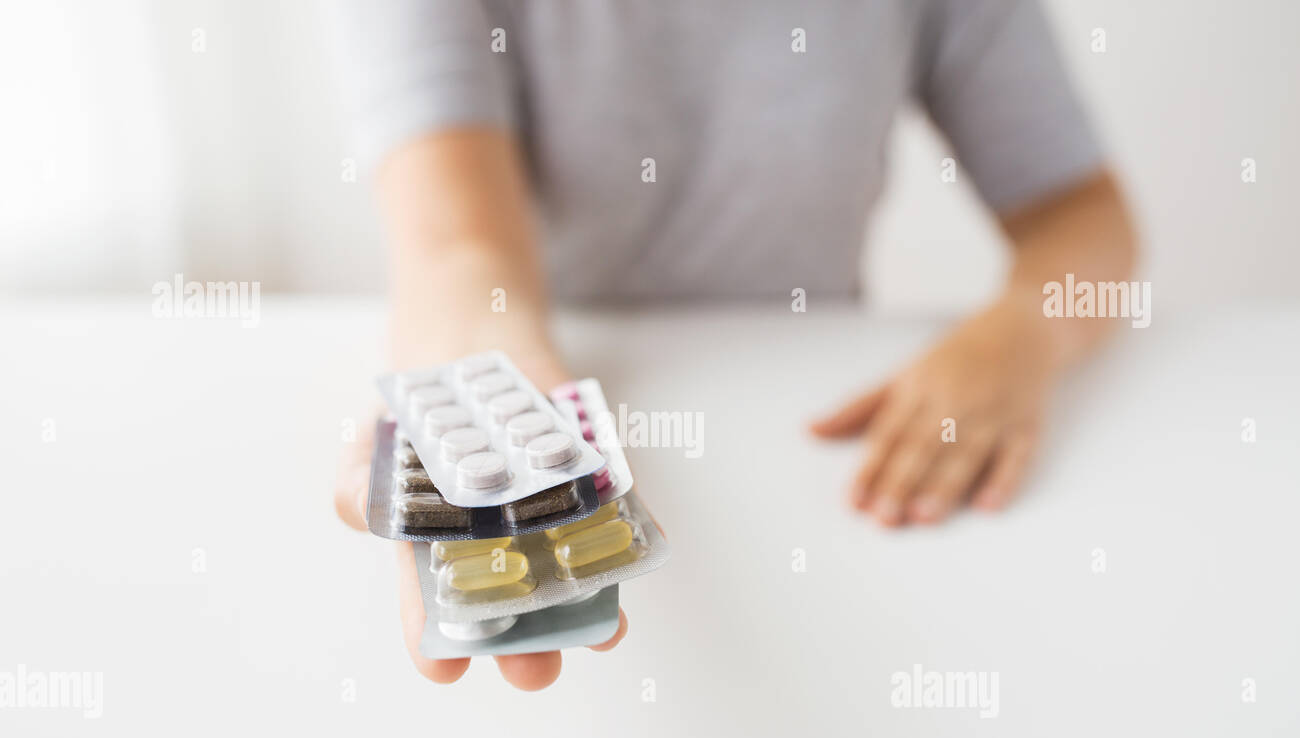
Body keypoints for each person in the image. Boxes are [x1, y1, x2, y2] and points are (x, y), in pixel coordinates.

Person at [330, 0, 1137, 690]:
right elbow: (458, 247)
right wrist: (478, 373)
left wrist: (1014, 338)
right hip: (581, 368)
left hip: (826, 457)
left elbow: (1085, 219)